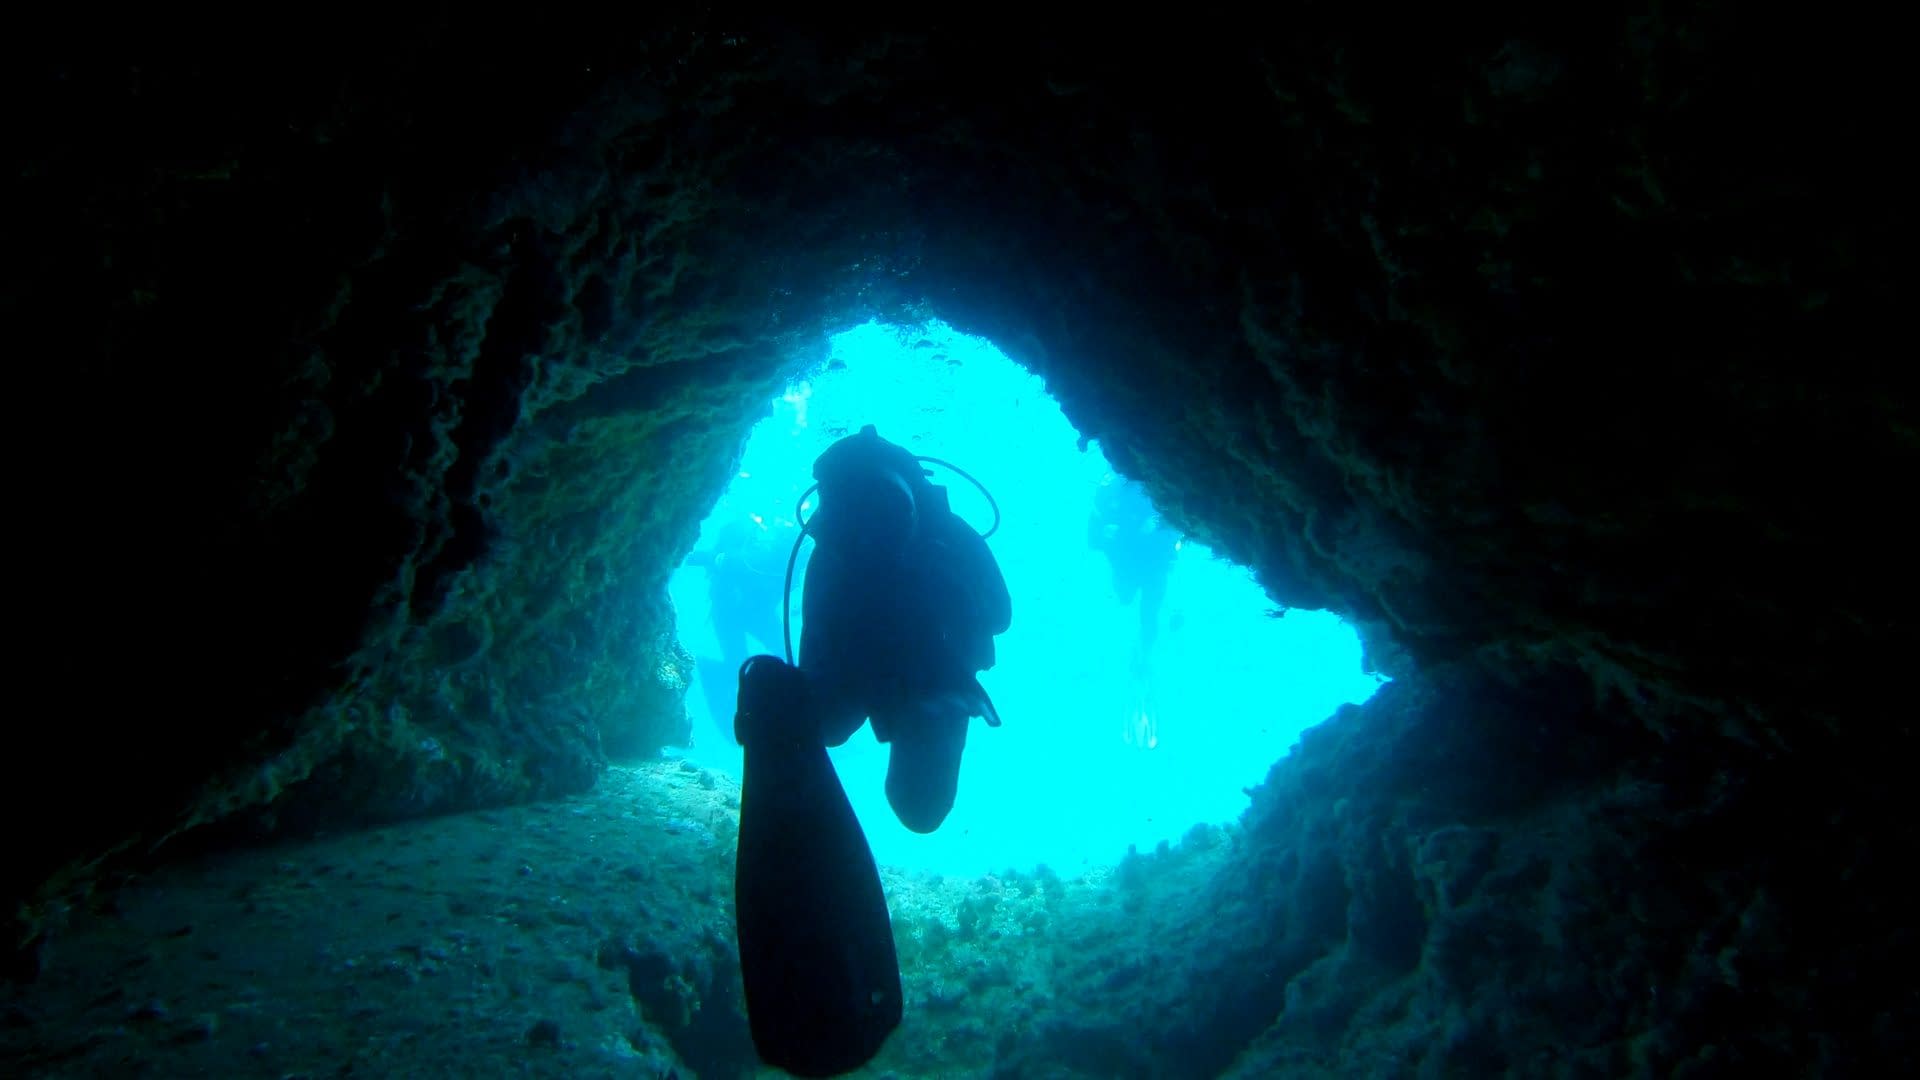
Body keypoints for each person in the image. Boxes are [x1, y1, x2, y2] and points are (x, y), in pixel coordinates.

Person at [794, 425, 1012, 833]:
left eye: (884, 517)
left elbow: (815, 634)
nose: (872, 539)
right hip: (924, 673)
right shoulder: (947, 533)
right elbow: (1000, 615)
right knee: (920, 804)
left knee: (919, 806)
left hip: (919, 669)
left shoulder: (833, 549)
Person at [684, 512, 793, 744]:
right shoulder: (768, 554)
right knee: (742, 664)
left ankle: (783, 711)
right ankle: (711, 670)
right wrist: (694, 555)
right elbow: (718, 559)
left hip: (757, 612)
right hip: (730, 610)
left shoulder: (790, 556)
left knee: (790, 658)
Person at [1087, 473, 1178, 748]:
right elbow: (1091, 537)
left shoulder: (1158, 487)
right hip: (1127, 566)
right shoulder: (1108, 492)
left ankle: (1144, 654)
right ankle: (1136, 651)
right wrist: (1105, 536)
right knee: (1126, 603)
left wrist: (1162, 532)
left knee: (1148, 613)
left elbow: (1179, 528)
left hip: (1153, 567)